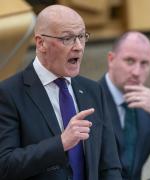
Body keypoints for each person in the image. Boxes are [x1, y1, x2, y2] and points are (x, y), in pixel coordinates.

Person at [0, 5, 122, 180]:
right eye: (68, 38)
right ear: (41, 43)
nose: (78, 47)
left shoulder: (93, 91)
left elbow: (109, 166)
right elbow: (5, 165)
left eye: (81, 36)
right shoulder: (8, 93)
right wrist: (61, 143)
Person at [99, 31, 150, 180]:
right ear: (111, 59)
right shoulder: (88, 100)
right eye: (130, 61)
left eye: (144, 63)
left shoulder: (149, 107)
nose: (137, 72)